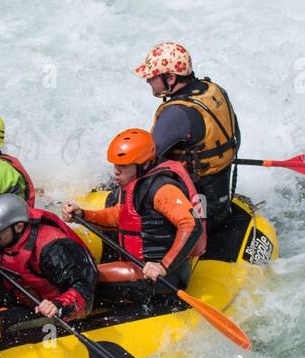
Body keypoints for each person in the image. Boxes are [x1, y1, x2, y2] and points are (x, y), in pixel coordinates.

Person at [62, 128, 206, 305]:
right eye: (115, 165)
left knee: (79, 279)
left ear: (143, 164)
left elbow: (191, 225)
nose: (116, 171)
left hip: (159, 278)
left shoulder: (162, 189)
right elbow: (118, 217)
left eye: (123, 166)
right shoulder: (134, 181)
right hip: (136, 266)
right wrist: (82, 214)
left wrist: (163, 266)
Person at [134, 42, 240, 229]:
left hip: (201, 211)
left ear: (171, 78)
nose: (148, 81)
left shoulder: (176, 112)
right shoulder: (213, 91)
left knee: (134, 185)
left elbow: (144, 162)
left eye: (152, 77)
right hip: (220, 198)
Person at [0, 193, 97, 324]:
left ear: (19, 226)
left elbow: (83, 288)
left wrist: (58, 306)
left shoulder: (52, 249)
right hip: (22, 297)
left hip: (52, 309)